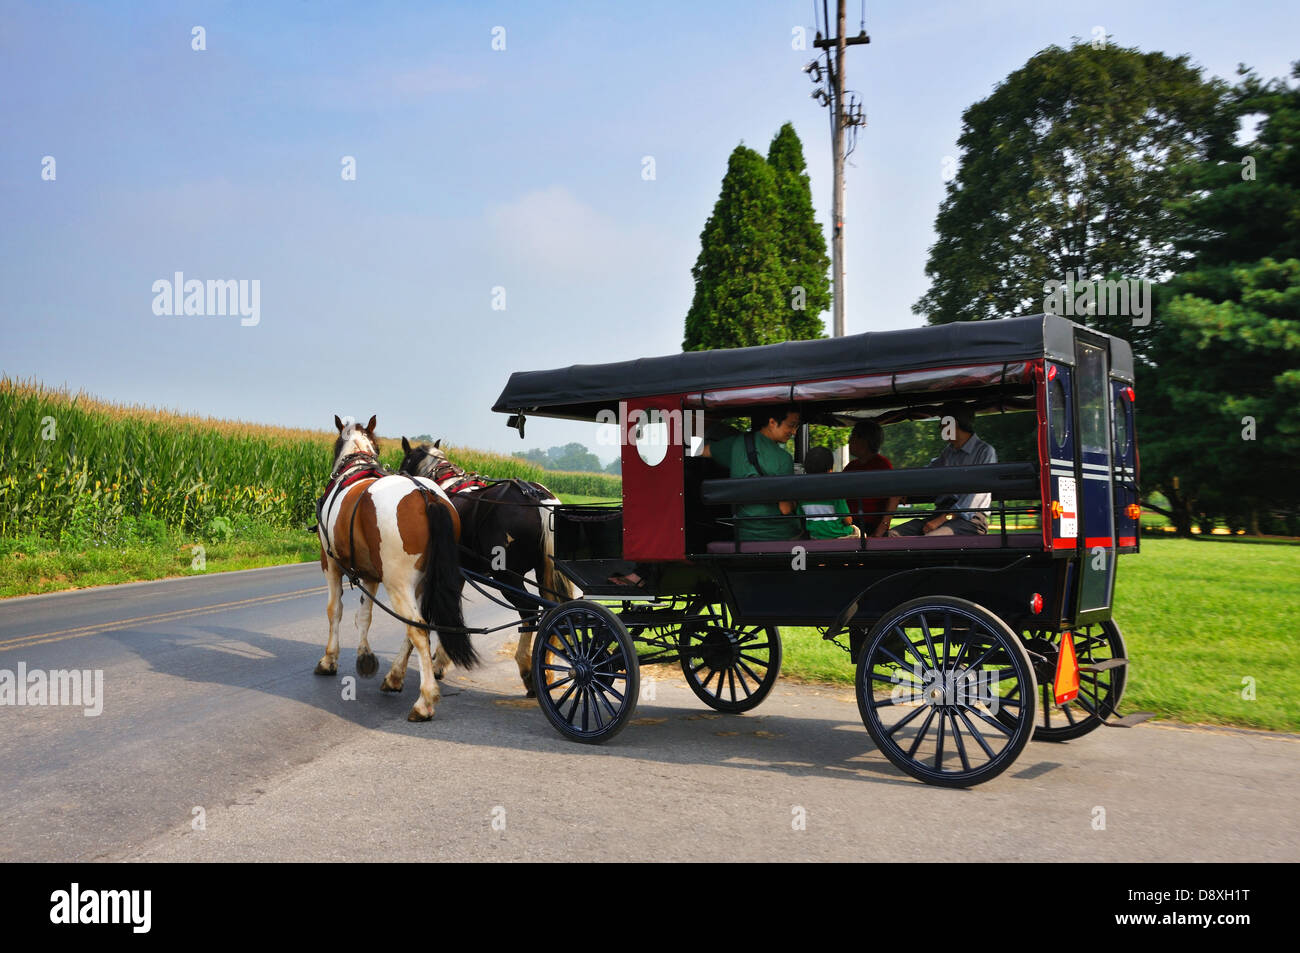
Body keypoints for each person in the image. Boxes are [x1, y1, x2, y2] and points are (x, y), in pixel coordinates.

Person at [889, 404, 997, 537]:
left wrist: (942, 519)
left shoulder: (985, 452)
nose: (940, 428)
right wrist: (907, 488)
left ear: (953, 423)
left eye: (942, 423)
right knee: (893, 535)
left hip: (969, 520)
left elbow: (974, 498)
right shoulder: (948, 452)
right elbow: (927, 474)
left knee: (930, 540)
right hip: (941, 514)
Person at [703, 405, 802, 540]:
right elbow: (785, 509)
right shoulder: (784, 459)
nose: (794, 432)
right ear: (772, 422)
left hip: (744, 534)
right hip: (780, 534)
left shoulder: (737, 444)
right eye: (791, 425)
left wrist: (690, 422)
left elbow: (701, 451)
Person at [843, 419, 900, 537]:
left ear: (864, 441)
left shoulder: (882, 465)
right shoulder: (851, 466)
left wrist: (881, 529)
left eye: (853, 436)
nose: (849, 440)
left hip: (869, 525)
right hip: (849, 524)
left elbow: (894, 496)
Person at [797, 446, 862, 539]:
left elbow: (801, 514)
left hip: (816, 537)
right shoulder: (835, 492)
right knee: (859, 534)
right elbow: (847, 520)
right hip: (840, 536)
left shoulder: (801, 494)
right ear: (830, 470)